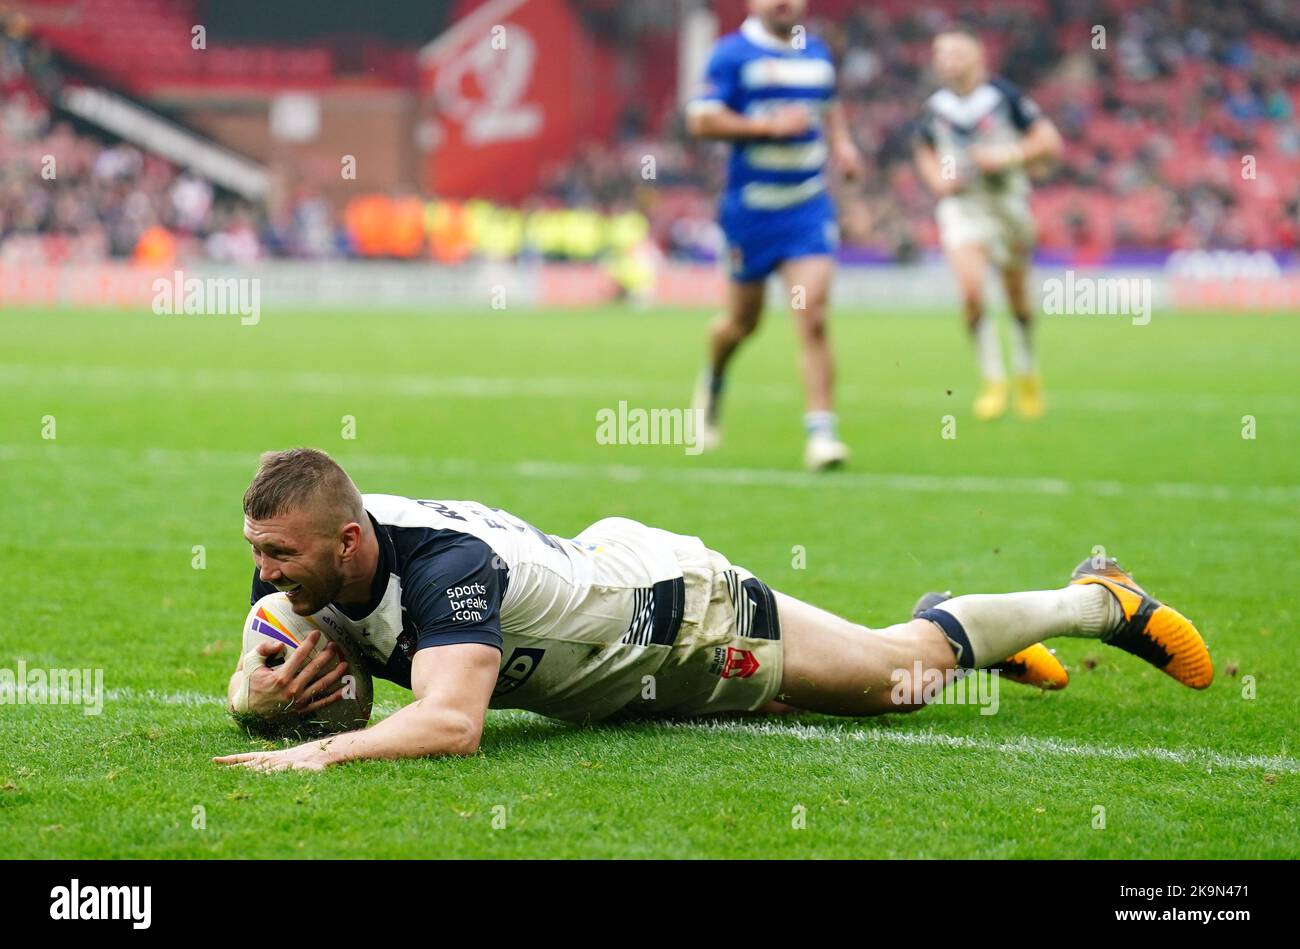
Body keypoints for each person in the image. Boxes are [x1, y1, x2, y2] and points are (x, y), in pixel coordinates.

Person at [216, 448, 1212, 772]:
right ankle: (970, 629)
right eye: (259, 554)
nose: (266, 573)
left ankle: (1093, 598)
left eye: (279, 555)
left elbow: (450, 722)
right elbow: (259, 669)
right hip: (605, 669)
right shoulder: (309, 551)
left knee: (890, 684)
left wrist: (311, 751)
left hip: (674, 615)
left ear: (347, 541)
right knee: (852, 692)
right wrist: (258, 700)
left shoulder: (446, 569)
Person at [685, 0, 864, 471]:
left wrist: (843, 145)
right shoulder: (731, 54)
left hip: (807, 208)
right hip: (751, 214)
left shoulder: (818, 53)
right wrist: (768, 126)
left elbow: (830, 106)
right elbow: (701, 120)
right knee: (742, 324)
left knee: (814, 315)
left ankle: (821, 435)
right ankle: (714, 376)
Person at [913, 30, 1064, 421]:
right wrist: (936, 179)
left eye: (956, 52)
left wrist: (1006, 155)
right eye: (940, 53)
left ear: (978, 57)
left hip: (1007, 203)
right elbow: (924, 149)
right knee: (972, 293)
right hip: (963, 207)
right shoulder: (936, 107)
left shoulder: (1004, 97)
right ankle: (993, 379)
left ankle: (1026, 371)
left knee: (1017, 299)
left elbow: (1048, 141)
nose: (947, 61)